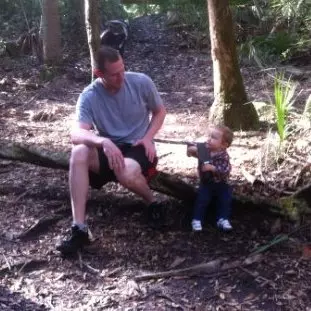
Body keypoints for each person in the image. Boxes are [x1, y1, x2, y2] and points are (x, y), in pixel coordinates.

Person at [56, 46, 166, 256]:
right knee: (78, 152)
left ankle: (153, 204)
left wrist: (148, 138)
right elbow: (76, 133)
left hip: (138, 147)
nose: (121, 77)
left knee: (124, 171)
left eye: (122, 69)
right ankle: (79, 229)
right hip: (109, 149)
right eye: (114, 74)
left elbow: (160, 111)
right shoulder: (89, 96)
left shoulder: (141, 82)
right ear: (99, 74)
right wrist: (103, 142)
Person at [186, 124, 234, 232]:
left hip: (221, 183)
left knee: (225, 199)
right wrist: (192, 149)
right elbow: (191, 148)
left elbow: (226, 170)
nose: (209, 139)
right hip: (206, 183)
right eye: (209, 136)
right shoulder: (205, 148)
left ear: (224, 145)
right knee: (202, 199)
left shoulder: (224, 156)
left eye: (214, 137)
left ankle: (223, 218)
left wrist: (213, 168)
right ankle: (197, 219)